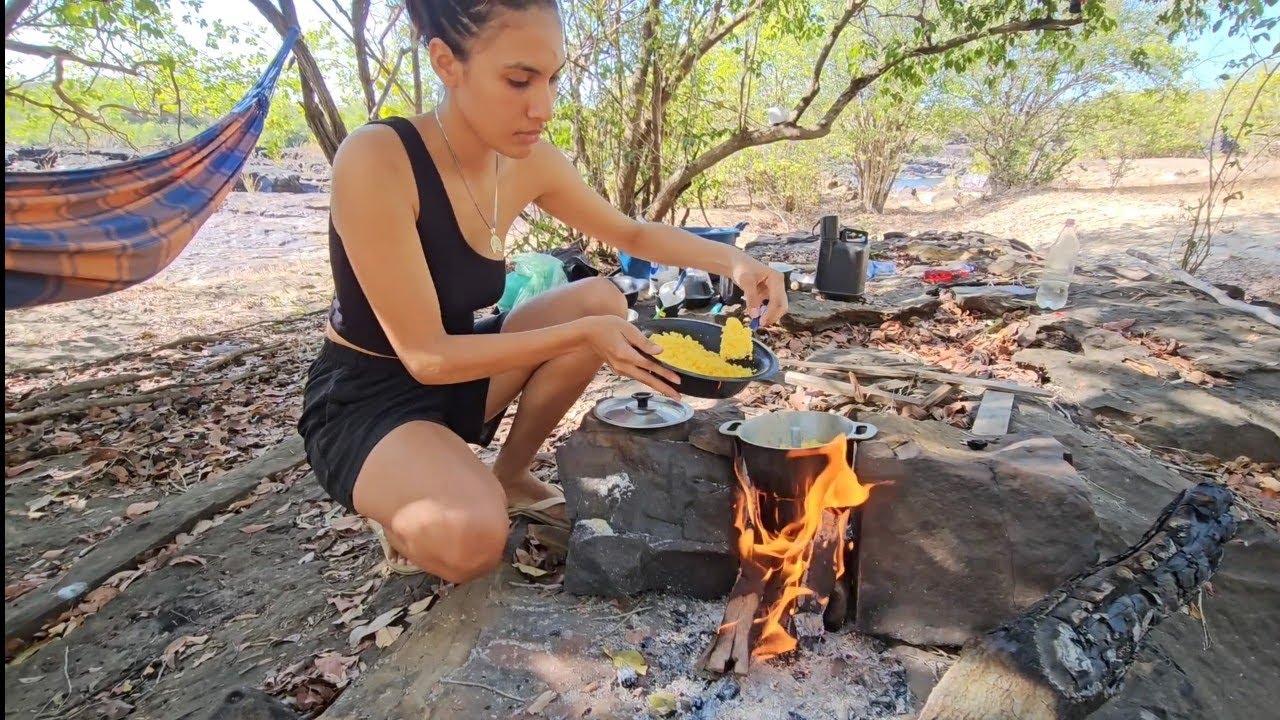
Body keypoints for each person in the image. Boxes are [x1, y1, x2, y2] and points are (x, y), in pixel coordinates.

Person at [297, 0, 788, 583]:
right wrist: (583, 336)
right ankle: (405, 504)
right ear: (447, 63)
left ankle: (508, 475)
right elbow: (426, 356)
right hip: (368, 396)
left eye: (552, 78)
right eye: (518, 80)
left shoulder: (529, 161)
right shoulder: (378, 158)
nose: (544, 107)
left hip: (461, 372)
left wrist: (735, 261)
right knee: (473, 541)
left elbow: (630, 233)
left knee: (600, 299)